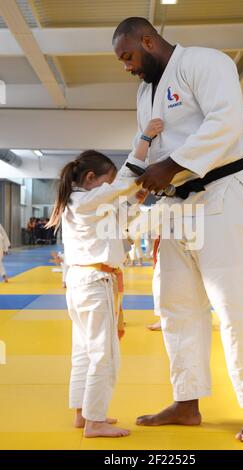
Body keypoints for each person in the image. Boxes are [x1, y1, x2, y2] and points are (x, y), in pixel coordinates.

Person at [113, 17, 243, 442]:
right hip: (176, 205)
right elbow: (149, 149)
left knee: (232, 305)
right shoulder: (144, 92)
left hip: (222, 194)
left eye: (129, 56)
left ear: (148, 41)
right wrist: (136, 187)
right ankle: (187, 401)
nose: (127, 67)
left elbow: (225, 122)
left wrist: (169, 167)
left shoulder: (206, 63)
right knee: (175, 307)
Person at [46, 119, 162, 438]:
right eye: (105, 182)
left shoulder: (80, 205)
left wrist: (137, 200)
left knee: (84, 350)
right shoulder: (85, 201)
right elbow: (123, 183)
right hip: (95, 286)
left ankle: (82, 413)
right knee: (104, 354)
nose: (109, 188)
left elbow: (119, 218)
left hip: (82, 284)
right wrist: (144, 140)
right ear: (90, 178)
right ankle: (95, 419)